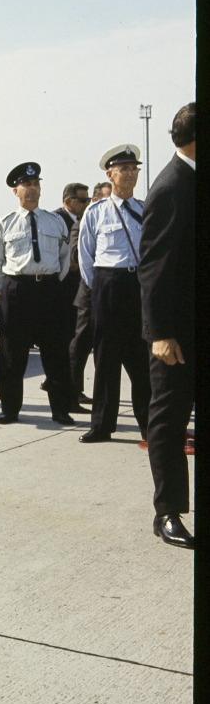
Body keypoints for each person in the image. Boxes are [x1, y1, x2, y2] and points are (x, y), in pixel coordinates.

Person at [138, 103, 195, 548]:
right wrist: (158, 333)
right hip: (176, 335)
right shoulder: (171, 187)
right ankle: (167, 512)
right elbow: (153, 266)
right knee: (169, 420)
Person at [0, 162, 74, 426]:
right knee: (12, 353)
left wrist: (46, 281)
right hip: (17, 291)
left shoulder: (55, 221)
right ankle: (10, 410)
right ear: (16, 191)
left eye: (36, 184)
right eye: (27, 185)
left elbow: (63, 258)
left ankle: (60, 410)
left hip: (49, 289)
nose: (33, 189)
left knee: (56, 352)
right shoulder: (5, 224)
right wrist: (18, 283)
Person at [76, 145, 151, 445]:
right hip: (108, 286)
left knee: (141, 361)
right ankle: (102, 426)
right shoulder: (96, 212)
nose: (131, 174)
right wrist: (101, 290)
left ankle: (148, 425)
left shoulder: (146, 210)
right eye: (124, 169)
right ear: (110, 174)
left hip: (139, 286)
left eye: (135, 169)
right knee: (106, 360)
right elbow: (85, 256)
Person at [50, 182, 91, 410]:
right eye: (82, 200)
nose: (86, 204)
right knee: (69, 342)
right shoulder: (56, 220)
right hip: (63, 291)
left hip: (78, 290)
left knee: (77, 343)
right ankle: (66, 390)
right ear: (68, 201)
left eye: (88, 200)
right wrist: (68, 264)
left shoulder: (82, 220)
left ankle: (75, 389)